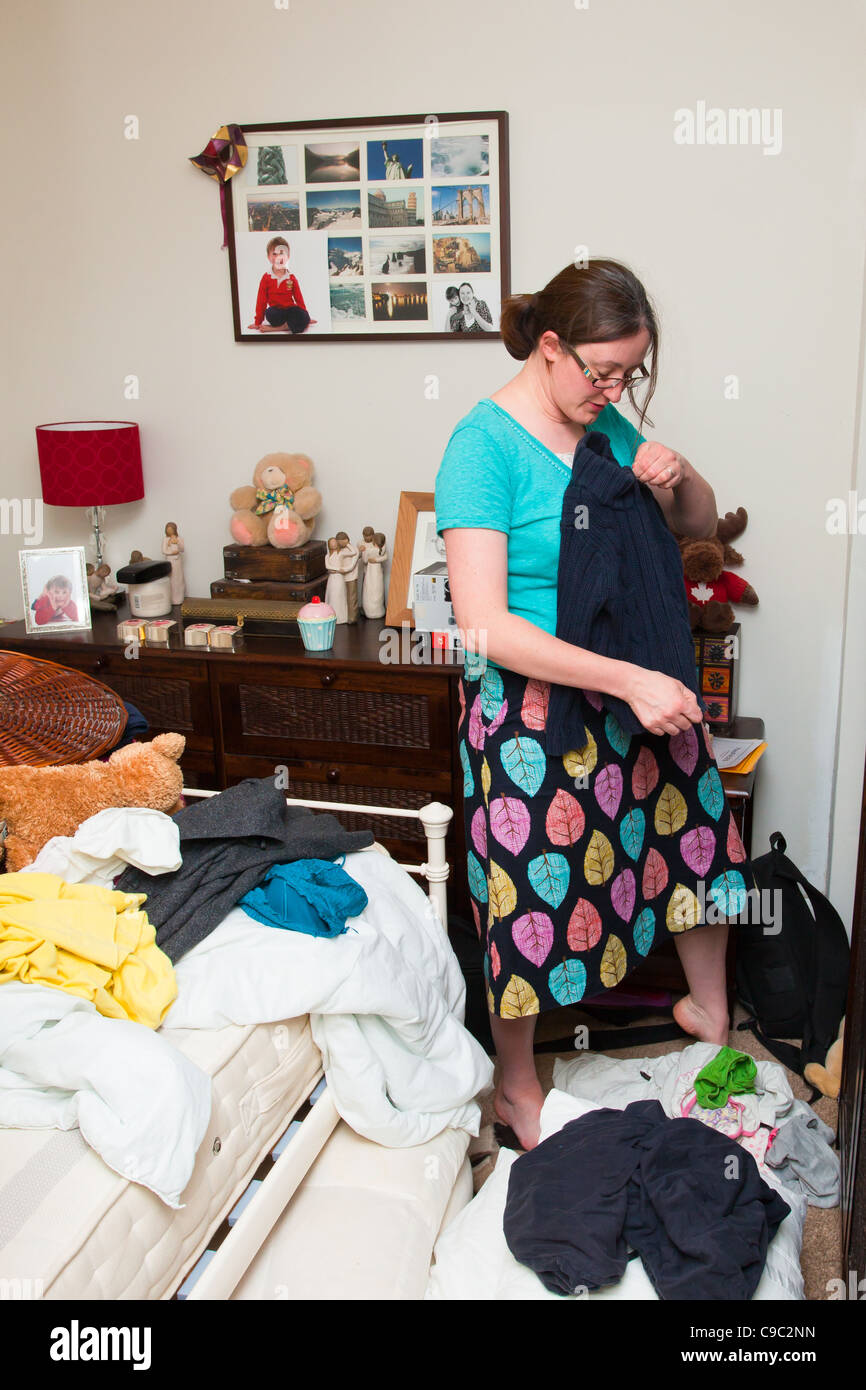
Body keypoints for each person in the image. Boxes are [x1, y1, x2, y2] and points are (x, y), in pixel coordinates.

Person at [435, 257, 756, 1152]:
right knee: (530, 890)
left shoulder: (602, 421)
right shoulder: (483, 447)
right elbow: (485, 626)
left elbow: (696, 522)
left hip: (634, 677)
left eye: (631, 375)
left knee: (693, 835)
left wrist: (675, 474)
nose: (616, 390)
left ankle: (708, 1013)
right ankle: (518, 1086)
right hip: (538, 705)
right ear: (549, 348)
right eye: (602, 371)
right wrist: (626, 680)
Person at [249, 237, 316, 334]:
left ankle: (281, 327)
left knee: (302, 314)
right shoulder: (266, 278)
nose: (278, 257)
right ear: (268, 257)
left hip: (290, 310)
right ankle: (286, 326)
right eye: (274, 254)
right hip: (277, 313)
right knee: (270, 312)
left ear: (287, 257)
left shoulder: (291, 278)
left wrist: (306, 316)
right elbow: (261, 300)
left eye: (281, 253)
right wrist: (257, 322)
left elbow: (298, 298)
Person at [162, 522, 185, 605]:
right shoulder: (165, 539)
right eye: (168, 530)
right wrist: (172, 552)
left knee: (178, 579)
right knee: (171, 579)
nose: (170, 531)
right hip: (170, 561)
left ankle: (179, 598)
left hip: (177, 561)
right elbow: (164, 550)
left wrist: (178, 542)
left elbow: (182, 549)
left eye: (171, 530)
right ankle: (171, 599)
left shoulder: (179, 538)